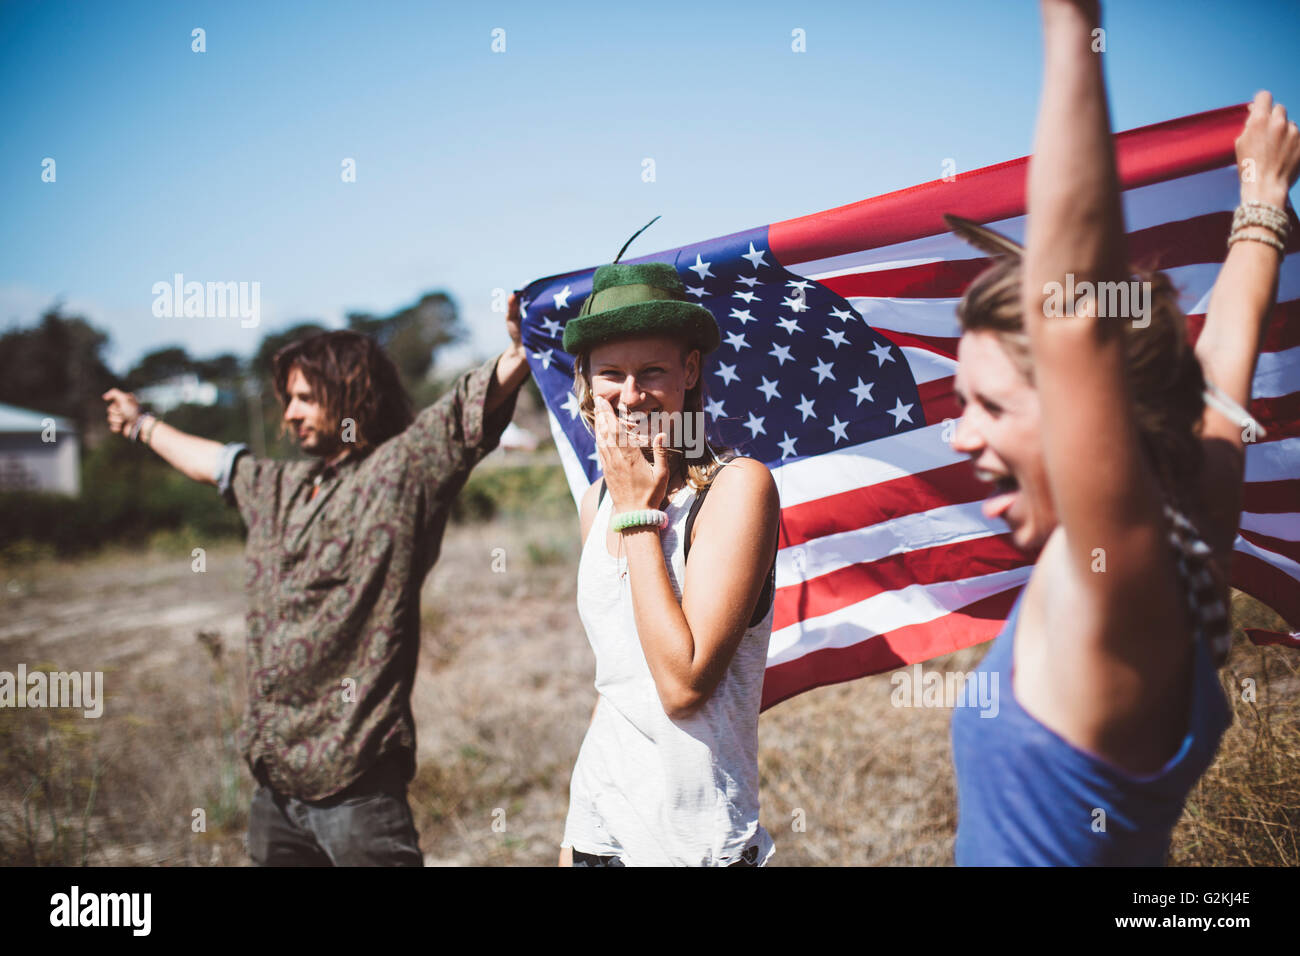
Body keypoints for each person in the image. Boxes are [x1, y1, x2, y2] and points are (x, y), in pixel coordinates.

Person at [947, 0, 1299, 865]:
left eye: (991, 406)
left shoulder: (1118, 584)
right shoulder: (1187, 529)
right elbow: (1220, 366)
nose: (958, 438)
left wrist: (1071, 26)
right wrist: (1262, 202)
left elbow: (1072, 315)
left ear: (1089, 409)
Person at [102, 298, 530, 865]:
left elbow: (459, 415)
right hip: (273, 787)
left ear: (351, 395)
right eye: (287, 401)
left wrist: (522, 352)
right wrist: (141, 425)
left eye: (305, 398)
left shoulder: (400, 472)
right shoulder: (277, 488)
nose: (291, 415)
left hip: (355, 790)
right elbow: (217, 463)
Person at [554, 261, 780, 866]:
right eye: (610, 374)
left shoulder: (737, 490)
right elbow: (617, 682)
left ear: (689, 369)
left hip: (692, 843)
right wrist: (572, 838)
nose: (630, 395)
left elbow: (683, 686)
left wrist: (639, 515)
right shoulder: (596, 501)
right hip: (598, 834)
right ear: (586, 381)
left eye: (651, 370)